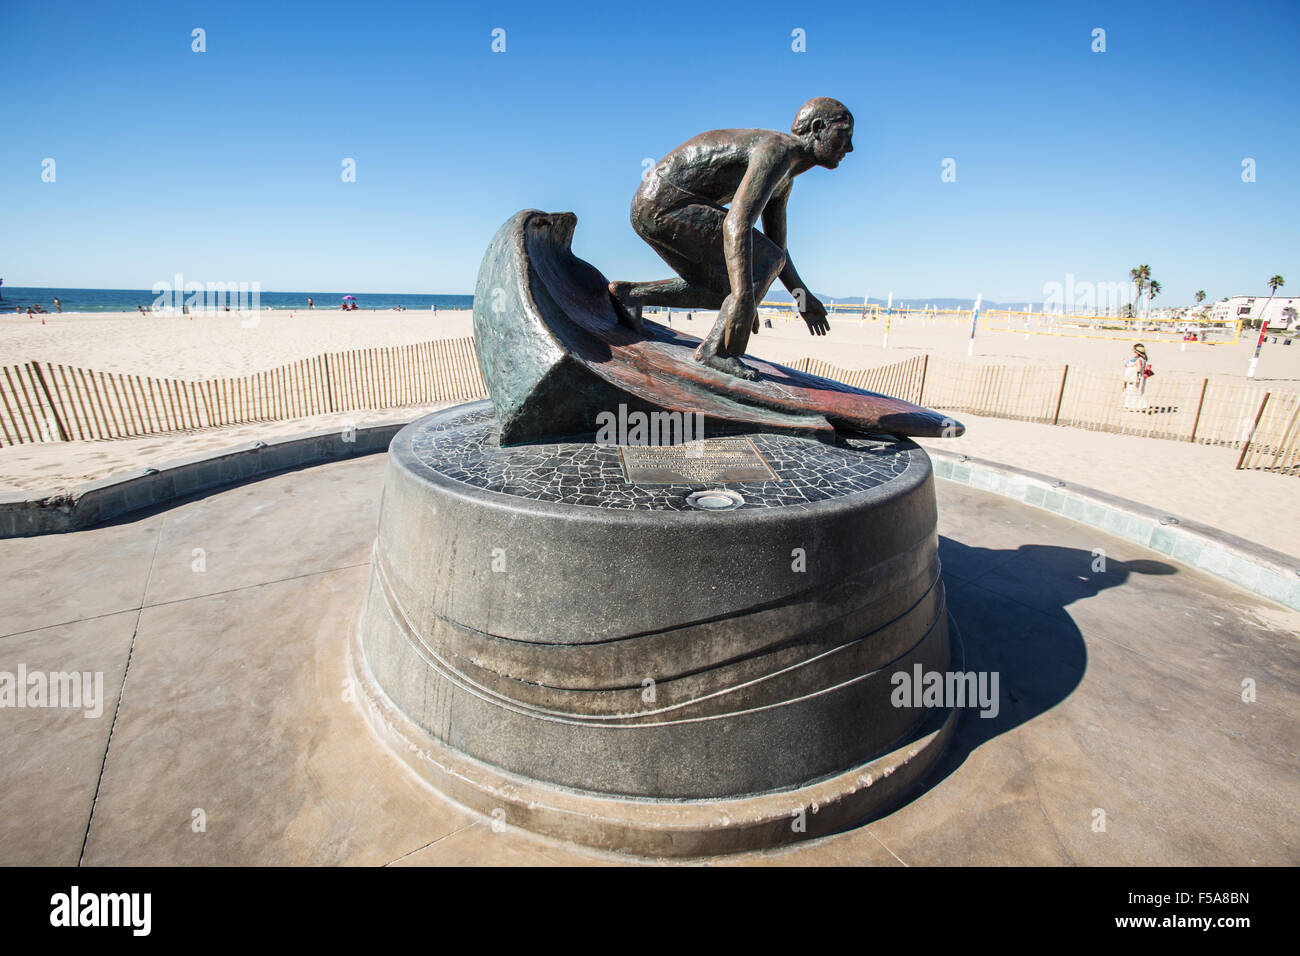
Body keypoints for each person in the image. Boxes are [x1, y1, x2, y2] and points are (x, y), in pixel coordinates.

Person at [608, 97, 853, 379]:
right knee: (743, 283)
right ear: (818, 128)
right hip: (663, 205)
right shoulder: (777, 151)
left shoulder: (785, 178)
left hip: (655, 207)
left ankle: (631, 296)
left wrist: (803, 297)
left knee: (726, 288)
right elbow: (737, 224)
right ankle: (716, 351)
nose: (849, 147)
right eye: (844, 134)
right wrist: (744, 299)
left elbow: (778, 250)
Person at [1123, 343, 1150, 411]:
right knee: (1138, 391)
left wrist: (1132, 366)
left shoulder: (1139, 360)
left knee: (1132, 391)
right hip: (1142, 377)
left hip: (1136, 377)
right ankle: (1139, 406)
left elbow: (1139, 369)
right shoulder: (1144, 358)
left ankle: (1133, 406)